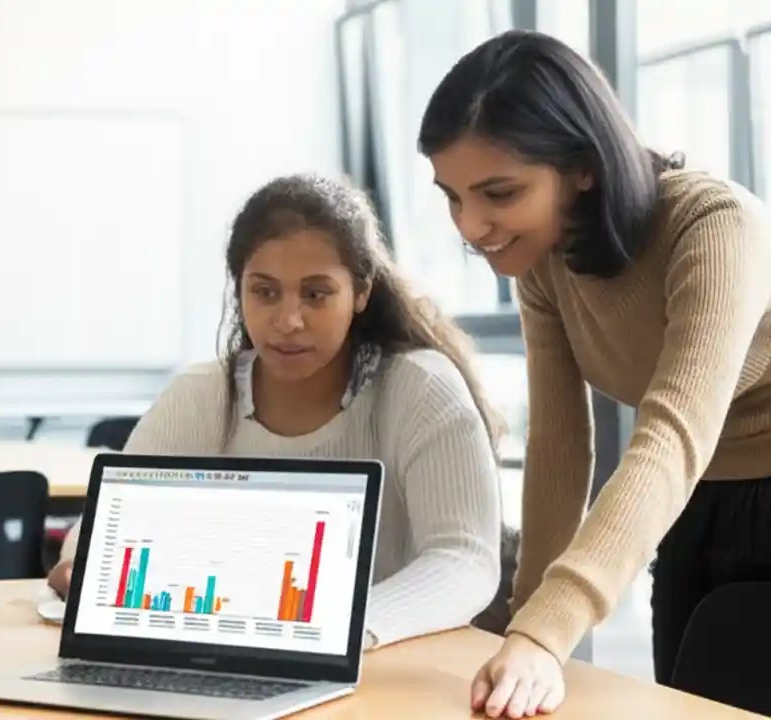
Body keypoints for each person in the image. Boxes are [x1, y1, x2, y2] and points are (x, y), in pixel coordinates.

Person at [419, 30, 771, 719]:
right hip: (693, 502)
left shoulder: (714, 226)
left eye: (498, 192)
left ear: (582, 166)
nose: (472, 224)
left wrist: (547, 632)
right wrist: (527, 630)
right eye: (453, 196)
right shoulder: (545, 259)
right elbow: (557, 446)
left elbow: (671, 433)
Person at [49, 173, 503, 651]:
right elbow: (92, 542)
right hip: (228, 661)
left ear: (362, 292)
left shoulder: (420, 388)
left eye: (316, 293)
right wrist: (90, 567)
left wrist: (331, 634)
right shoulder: (201, 394)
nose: (288, 321)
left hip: (383, 669)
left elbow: (464, 559)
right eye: (264, 292)